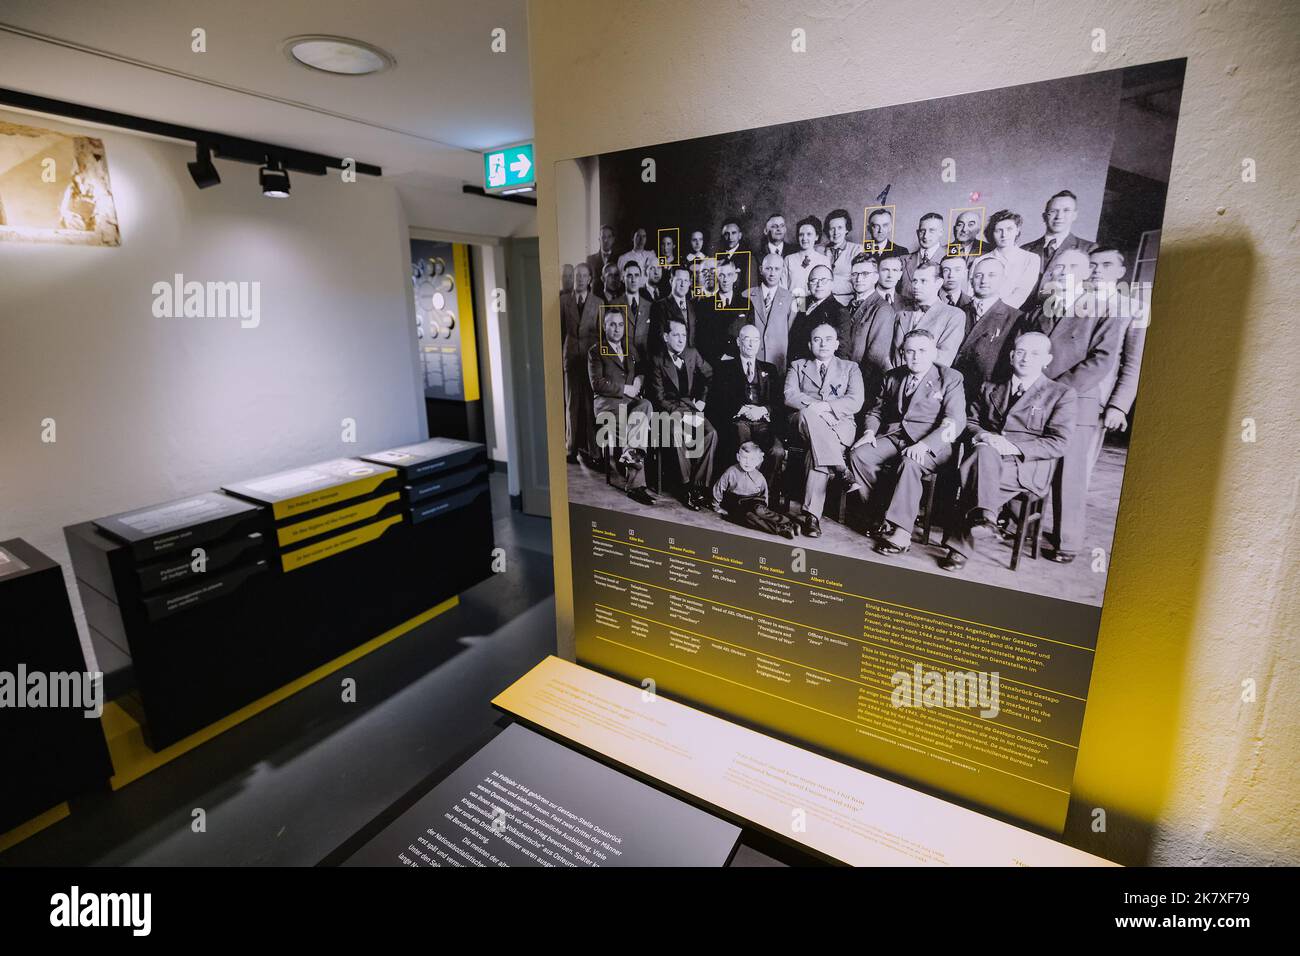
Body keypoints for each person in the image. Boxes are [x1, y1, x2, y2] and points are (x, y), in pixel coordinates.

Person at [939, 331, 1076, 572]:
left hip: (1027, 465)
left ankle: (962, 542)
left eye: (1035, 354)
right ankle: (984, 518)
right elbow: (970, 421)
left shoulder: (1061, 394)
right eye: (1021, 352)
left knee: (976, 473)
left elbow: (1059, 442)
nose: (1026, 358)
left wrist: (1013, 446)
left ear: (1047, 360)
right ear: (1012, 356)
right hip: (987, 454)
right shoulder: (990, 387)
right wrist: (983, 435)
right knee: (983, 458)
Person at [1027, 249, 1123, 563]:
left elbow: (1102, 360)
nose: (1063, 271)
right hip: (1035, 400)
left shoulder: (1105, 308)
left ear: (1085, 273)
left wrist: (1056, 389)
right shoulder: (1042, 307)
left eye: (1073, 267)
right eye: (1059, 265)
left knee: (1070, 473)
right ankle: (1021, 527)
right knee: (1030, 460)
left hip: (1075, 401)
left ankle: (1067, 541)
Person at [847, 329, 966, 554]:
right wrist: (869, 432)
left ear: (933, 352)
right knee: (858, 455)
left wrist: (926, 444)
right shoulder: (893, 376)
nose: (915, 357)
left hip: (933, 444)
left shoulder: (950, 378)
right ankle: (880, 516)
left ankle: (901, 533)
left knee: (910, 463)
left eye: (922, 351)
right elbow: (876, 412)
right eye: (909, 351)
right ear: (902, 353)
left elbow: (955, 421)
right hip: (896, 436)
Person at [784, 323, 864, 537]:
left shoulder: (850, 368)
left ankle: (812, 517)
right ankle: (841, 469)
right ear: (810, 344)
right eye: (817, 339)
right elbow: (789, 395)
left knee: (816, 453)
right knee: (809, 414)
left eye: (828, 339)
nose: (823, 343)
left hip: (839, 426)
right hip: (802, 424)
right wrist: (816, 409)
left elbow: (856, 401)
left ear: (837, 344)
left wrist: (827, 408)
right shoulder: (798, 365)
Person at [646, 318, 718, 511]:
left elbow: (710, 375)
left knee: (711, 433)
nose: (681, 339)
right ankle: (685, 486)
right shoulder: (656, 359)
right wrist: (681, 414)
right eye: (676, 335)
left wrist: (702, 399)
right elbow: (658, 397)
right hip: (666, 411)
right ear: (666, 337)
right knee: (677, 430)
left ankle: (698, 487)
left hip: (690, 406)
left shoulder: (692, 353)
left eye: (684, 335)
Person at [588, 310, 655, 505]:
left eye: (620, 325)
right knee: (636, 425)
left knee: (646, 405)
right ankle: (636, 486)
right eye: (612, 324)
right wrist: (626, 388)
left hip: (629, 402)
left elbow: (642, 370)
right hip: (608, 404)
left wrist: (638, 382)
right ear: (604, 327)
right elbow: (597, 384)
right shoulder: (596, 351)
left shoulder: (630, 348)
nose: (617, 329)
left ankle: (629, 454)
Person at [1088, 246, 1146, 469]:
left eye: (1106, 265)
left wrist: (1118, 406)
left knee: (1076, 475)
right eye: (1092, 265)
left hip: (1098, 402)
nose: (1097, 270)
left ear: (1121, 272)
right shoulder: (1072, 303)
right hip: (1060, 396)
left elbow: (1133, 363)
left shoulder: (1135, 309)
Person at [706, 323, 785, 484]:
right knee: (745, 448)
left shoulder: (770, 369)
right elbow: (717, 399)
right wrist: (741, 408)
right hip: (737, 422)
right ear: (738, 342)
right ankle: (740, 493)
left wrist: (762, 409)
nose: (751, 344)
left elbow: (778, 402)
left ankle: (761, 494)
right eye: (747, 339)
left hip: (763, 423)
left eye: (755, 340)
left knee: (777, 451)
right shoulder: (724, 368)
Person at [953, 256, 1025, 393]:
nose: (984, 280)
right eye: (978, 275)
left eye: (991, 275)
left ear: (1003, 280)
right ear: (971, 280)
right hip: (954, 389)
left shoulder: (1016, 318)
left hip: (986, 394)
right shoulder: (955, 313)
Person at [561, 263, 604, 464]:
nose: (579, 279)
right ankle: (571, 449)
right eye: (576, 275)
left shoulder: (598, 303)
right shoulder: (563, 301)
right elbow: (560, 333)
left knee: (590, 405)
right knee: (571, 404)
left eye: (583, 276)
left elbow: (602, 335)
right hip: (570, 358)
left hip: (590, 360)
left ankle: (595, 452)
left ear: (589, 279)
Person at [712, 442, 796, 538]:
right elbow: (719, 487)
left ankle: (788, 523)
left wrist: (764, 506)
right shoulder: (731, 471)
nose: (747, 462)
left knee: (760, 511)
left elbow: (764, 493)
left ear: (758, 461)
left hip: (754, 499)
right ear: (738, 457)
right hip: (736, 502)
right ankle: (780, 529)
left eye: (752, 459)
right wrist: (716, 505)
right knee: (749, 517)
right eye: (744, 458)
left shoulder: (759, 477)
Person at [890, 263, 965, 367]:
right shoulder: (901, 313)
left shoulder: (954, 315)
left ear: (938, 283)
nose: (916, 286)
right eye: (914, 281)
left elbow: (944, 359)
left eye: (923, 281)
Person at [741, 253, 796, 373]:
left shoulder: (791, 298)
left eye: (777, 269)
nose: (772, 273)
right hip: (754, 360)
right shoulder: (746, 295)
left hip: (778, 361)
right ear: (761, 270)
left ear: (782, 271)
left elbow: (791, 332)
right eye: (768, 268)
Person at [1021, 190, 1096, 277]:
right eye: (1053, 211)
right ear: (1044, 216)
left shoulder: (1088, 249)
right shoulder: (1025, 250)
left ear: (1074, 215)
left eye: (1066, 210)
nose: (1059, 216)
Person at [785, 264, 846, 366]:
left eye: (824, 280)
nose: (819, 285)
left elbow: (842, 352)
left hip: (816, 371)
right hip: (794, 366)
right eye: (814, 280)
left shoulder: (839, 311)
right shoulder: (803, 302)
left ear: (832, 284)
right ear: (808, 285)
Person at [980, 209, 1040, 311]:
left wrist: (994, 313)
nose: (1004, 235)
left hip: (1014, 315)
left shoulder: (1031, 259)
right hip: (981, 313)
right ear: (992, 232)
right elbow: (972, 293)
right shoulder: (980, 260)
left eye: (1009, 229)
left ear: (1017, 230)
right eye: (999, 230)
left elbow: (1021, 292)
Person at [697, 258, 743, 366]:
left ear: (735, 277)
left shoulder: (745, 304)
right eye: (721, 275)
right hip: (714, 363)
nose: (725, 280)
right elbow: (701, 339)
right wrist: (719, 356)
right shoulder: (705, 305)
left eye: (729, 275)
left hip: (739, 363)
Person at [838, 255, 881, 363]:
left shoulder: (881, 309)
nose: (858, 279)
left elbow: (876, 356)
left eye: (865, 274)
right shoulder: (847, 306)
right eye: (854, 274)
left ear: (876, 277)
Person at [648, 265, 698, 360]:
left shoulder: (693, 306)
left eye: (686, 281)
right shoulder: (659, 306)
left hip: (691, 362)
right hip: (670, 362)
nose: (682, 284)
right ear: (671, 281)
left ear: (689, 283)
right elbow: (658, 341)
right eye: (679, 280)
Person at [900, 213, 947, 297]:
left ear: (941, 232)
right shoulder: (902, 261)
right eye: (922, 231)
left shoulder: (951, 260)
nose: (925, 236)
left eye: (931, 231)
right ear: (917, 233)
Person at [784, 215, 830, 301]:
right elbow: (782, 289)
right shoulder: (789, 260)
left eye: (809, 234)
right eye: (801, 234)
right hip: (792, 307)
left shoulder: (824, 260)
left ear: (816, 236)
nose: (804, 238)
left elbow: (827, 289)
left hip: (815, 308)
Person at [617, 260, 655, 361]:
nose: (633, 280)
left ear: (641, 278)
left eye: (636, 275)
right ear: (623, 278)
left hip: (646, 361)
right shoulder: (614, 305)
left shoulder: (649, 306)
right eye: (629, 276)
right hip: (623, 361)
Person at [819, 208, 857, 304]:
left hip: (846, 304)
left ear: (846, 229)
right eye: (832, 229)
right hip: (821, 302)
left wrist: (828, 286)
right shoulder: (820, 251)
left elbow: (856, 283)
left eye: (840, 228)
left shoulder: (856, 250)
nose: (836, 232)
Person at [587, 225, 618, 298]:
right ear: (599, 239)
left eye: (609, 237)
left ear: (613, 239)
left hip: (613, 299)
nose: (606, 240)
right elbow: (587, 283)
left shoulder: (619, 258)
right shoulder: (590, 259)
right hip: (595, 298)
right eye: (603, 237)